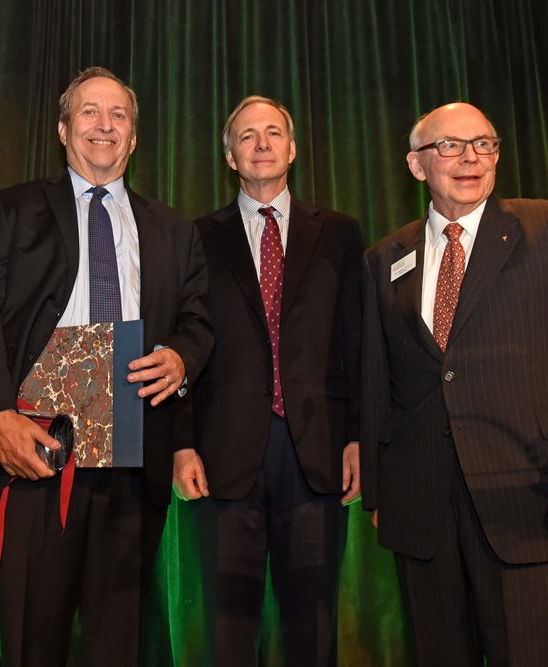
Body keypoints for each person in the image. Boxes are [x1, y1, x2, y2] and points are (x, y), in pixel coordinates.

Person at [0, 66, 212, 666]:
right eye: (91, 113)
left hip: (135, 451)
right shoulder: (13, 207)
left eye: (118, 115)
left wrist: (180, 355)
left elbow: (199, 323)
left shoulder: (174, 229)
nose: (105, 125)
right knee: (30, 636)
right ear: (65, 129)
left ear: (134, 137)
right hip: (34, 450)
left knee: (118, 639)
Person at [361, 102, 548, 665]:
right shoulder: (386, 256)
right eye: (451, 146)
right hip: (425, 517)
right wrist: (384, 488)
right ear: (417, 165)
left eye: (484, 144)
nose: (471, 158)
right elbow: (379, 379)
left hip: (537, 505)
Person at [173, 95, 364, 665]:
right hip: (224, 453)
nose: (261, 144)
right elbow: (180, 344)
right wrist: (181, 441)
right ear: (229, 156)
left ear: (293, 148)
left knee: (313, 624)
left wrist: (358, 435)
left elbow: (356, 343)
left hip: (320, 449)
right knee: (227, 629)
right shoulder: (195, 238)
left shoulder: (340, 233)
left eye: (273, 133)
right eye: (247, 136)